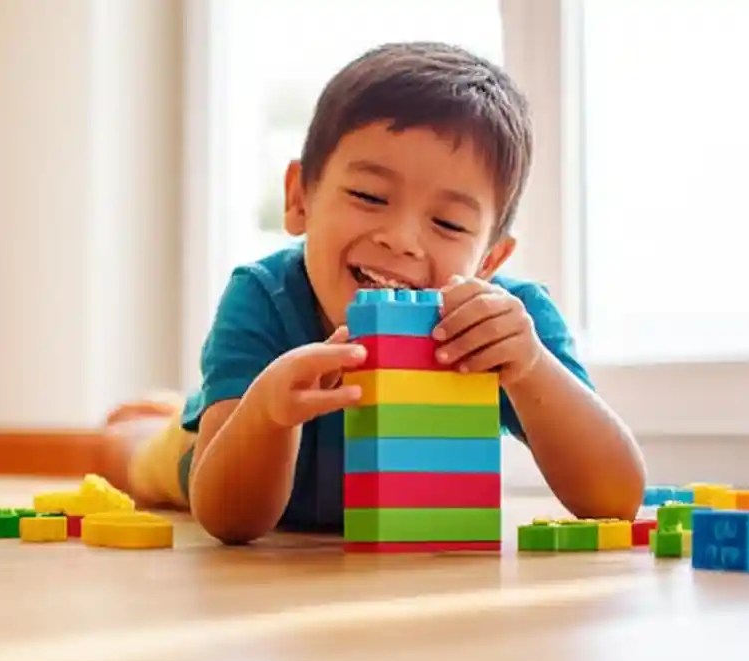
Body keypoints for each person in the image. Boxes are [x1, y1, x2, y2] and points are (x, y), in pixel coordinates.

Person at [98, 41, 646, 544]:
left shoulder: (506, 326)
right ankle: (147, 422)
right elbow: (229, 519)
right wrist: (266, 416)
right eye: (368, 195)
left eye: (450, 225)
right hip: (216, 446)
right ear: (299, 200)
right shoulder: (263, 297)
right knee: (144, 462)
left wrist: (531, 369)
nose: (401, 240)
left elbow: (616, 499)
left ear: (490, 259)